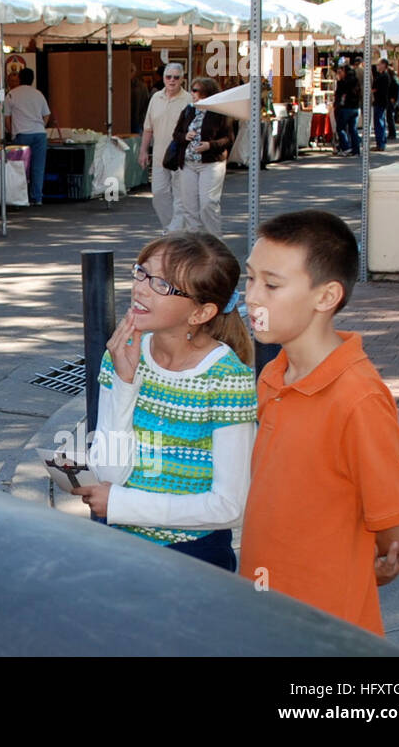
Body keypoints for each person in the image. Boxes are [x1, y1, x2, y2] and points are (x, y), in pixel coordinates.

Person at [240, 210, 399, 635]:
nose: (251, 297)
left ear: (326, 297)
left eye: (272, 284)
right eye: (250, 279)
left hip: (327, 629)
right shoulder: (273, 376)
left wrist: (381, 560)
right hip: (263, 611)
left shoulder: (358, 400)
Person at [72, 232, 256, 571]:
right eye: (141, 272)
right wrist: (125, 383)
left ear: (201, 312)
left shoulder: (227, 379)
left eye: (162, 285)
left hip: (192, 556)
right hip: (115, 544)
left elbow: (231, 506)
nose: (141, 288)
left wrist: (122, 504)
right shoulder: (121, 354)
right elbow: (108, 471)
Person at [171, 76, 234, 237]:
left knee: (208, 203)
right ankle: (195, 243)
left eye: (196, 91)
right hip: (188, 163)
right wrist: (185, 136)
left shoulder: (220, 111)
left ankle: (215, 240)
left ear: (208, 93)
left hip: (211, 163)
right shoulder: (189, 110)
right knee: (189, 205)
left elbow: (228, 138)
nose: (193, 94)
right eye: (192, 90)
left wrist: (209, 145)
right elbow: (176, 133)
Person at [139, 63, 192, 233]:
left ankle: (174, 232)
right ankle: (171, 228)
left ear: (182, 79)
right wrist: (143, 151)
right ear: (163, 78)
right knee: (159, 194)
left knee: (180, 196)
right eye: (168, 77)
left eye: (176, 77)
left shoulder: (189, 100)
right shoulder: (156, 98)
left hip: (181, 156)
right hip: (160, 155)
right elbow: (148, 128)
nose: (172, 80)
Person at [5, 67, 54, 205]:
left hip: (22, 134)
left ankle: (21, 198)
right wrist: (41, 126)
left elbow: (7, 118)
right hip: (39, 134)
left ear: (19, 78)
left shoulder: (11, 95)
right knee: (38, 167)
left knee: (20, 168)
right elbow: (47, 114)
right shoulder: (38, 94)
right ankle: (37, 197)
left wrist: (11, 131)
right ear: (32, 80)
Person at [334, 61, 361, 156]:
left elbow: (339, 93)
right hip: (355, 107)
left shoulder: (343, 82)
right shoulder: (355, 81)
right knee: (353, 129)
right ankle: (356, 149)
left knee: (340, 128)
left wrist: (339, 80)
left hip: (345, 107)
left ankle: (346, 147)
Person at [371, 58, 394, 151]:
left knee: (379, 123)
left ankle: (380, 143)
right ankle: (381, 142)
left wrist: (374, 90)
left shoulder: (384, 76)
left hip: (380, 102)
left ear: (384, 65)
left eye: (379, 64)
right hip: (381, 102)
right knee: (381, 122)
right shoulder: (383, 75)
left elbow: (377, 88)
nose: (378, 66)